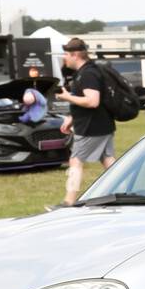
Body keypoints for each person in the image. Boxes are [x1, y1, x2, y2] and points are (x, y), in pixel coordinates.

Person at [53, 37, 116, 207]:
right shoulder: (89, 71)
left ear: (75, 55)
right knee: (108, 160)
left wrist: (67, 97)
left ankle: (69, 201)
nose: (64, 58)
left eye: (66, 54)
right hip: (101, 124)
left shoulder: (87, 74)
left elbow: (92, 101)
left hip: (91, 127)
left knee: (75, 161)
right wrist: (71, 119)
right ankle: (122, 192)